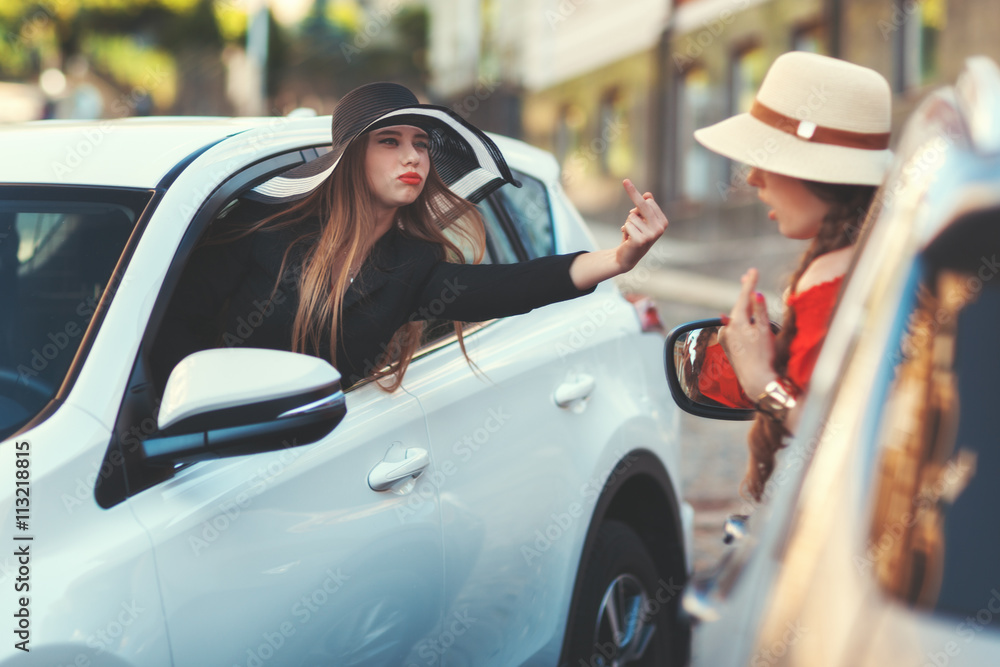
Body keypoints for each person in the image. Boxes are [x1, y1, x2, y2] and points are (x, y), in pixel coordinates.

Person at [153, 82, 668, 391]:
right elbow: (168, 332)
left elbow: (513, 286)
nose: (413, 157)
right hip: (213, 455)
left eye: (421, 143)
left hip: (326, 464)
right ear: (350, 158)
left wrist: (620, 257)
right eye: (390, 141)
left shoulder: (413, 265)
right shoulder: (261, 231)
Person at [691, 51, 892, 501]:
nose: (753, 178)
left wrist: (761, 382)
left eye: (767, 158)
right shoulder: (883, 254)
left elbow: (841, 440)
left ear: (822, 177)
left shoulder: (831, 276)